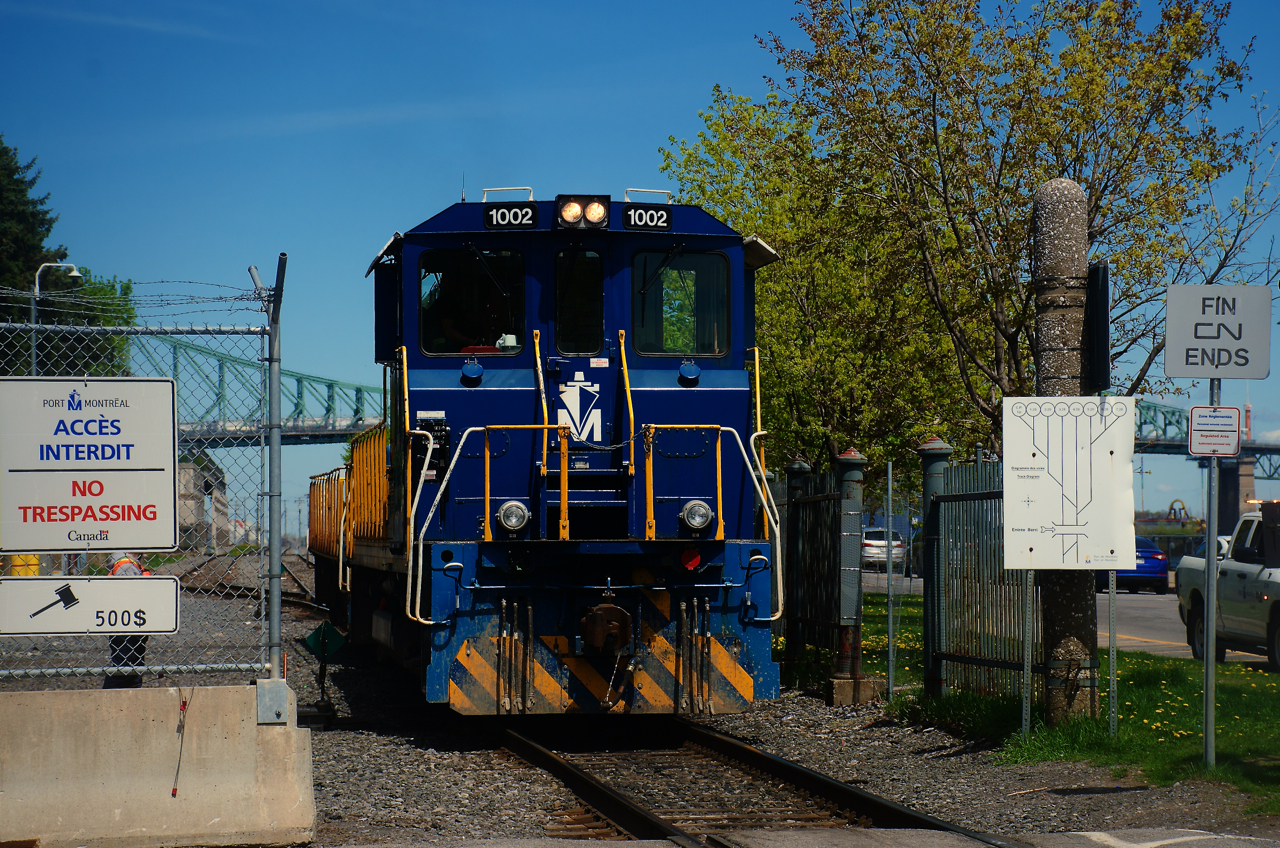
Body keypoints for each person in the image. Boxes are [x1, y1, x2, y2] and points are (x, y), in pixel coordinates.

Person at [103, 551, 149, 689]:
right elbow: (129, 599)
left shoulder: (125, 564)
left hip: (126, 625)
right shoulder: (127, 566)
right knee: (125, 667)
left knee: (130, 667)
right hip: (128, 626)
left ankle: (130, 701)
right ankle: (107, 701)